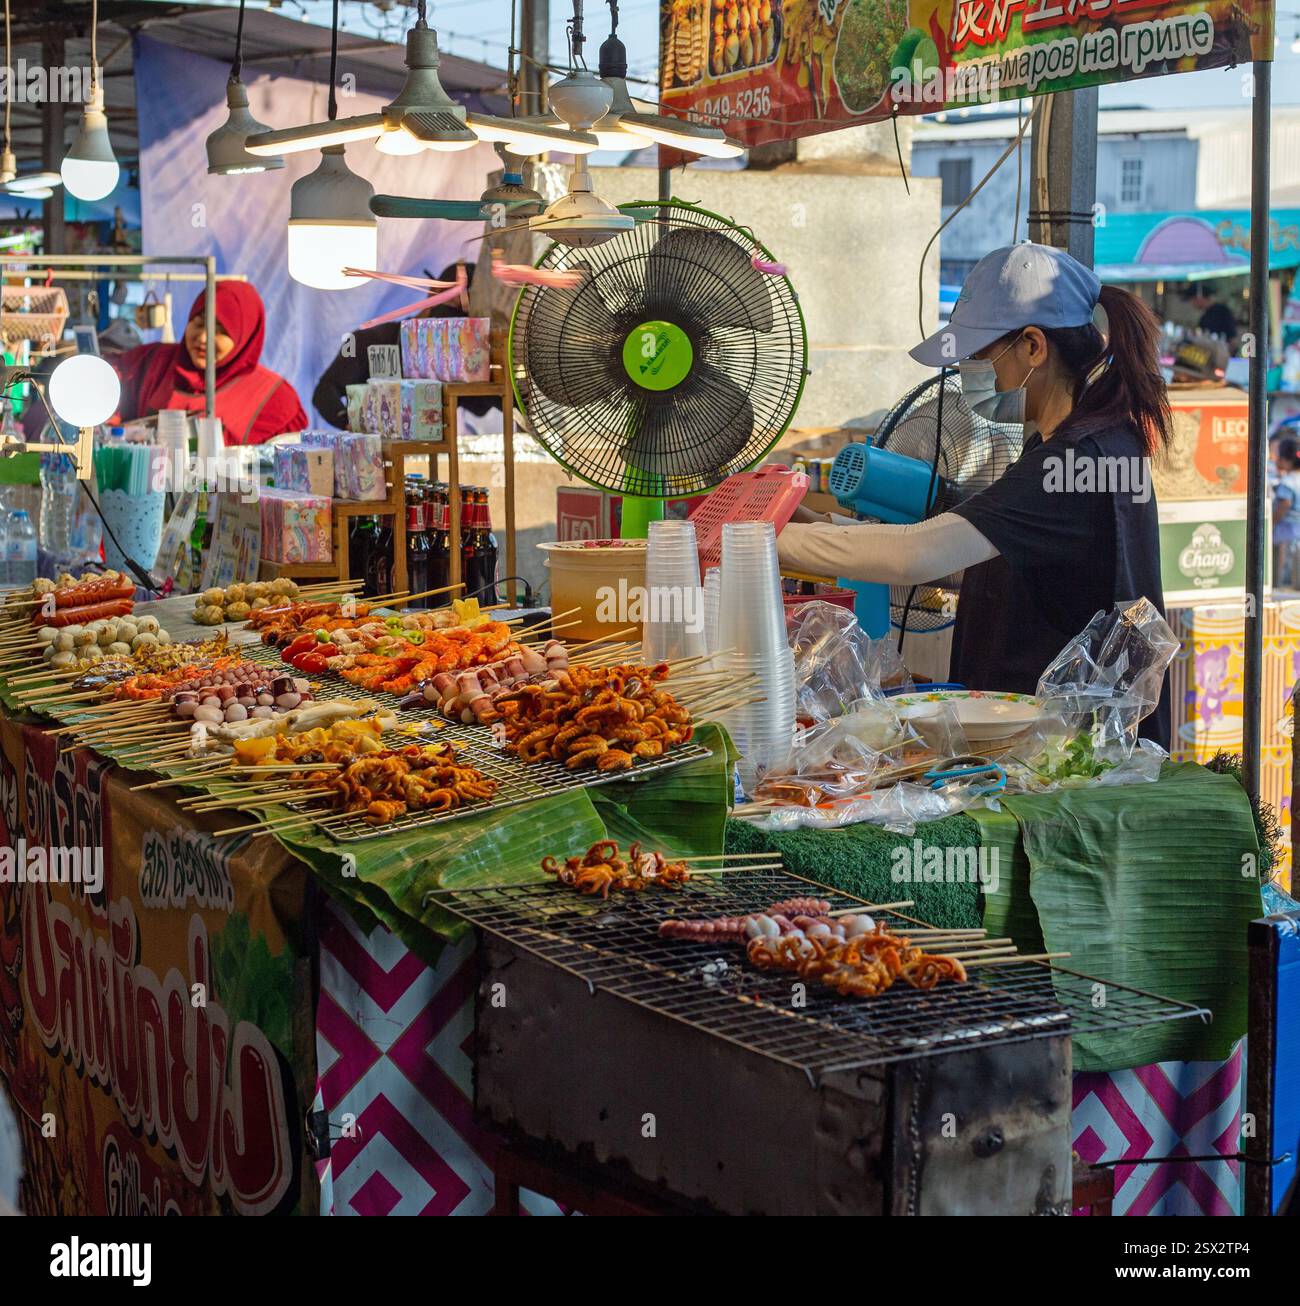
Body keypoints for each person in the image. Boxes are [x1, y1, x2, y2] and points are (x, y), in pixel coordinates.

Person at [779, 242, 1172, 748]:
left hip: (1073, 756)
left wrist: (760, 542)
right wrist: (822, 528)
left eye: (984, 356)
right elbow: (987, 560)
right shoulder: (1085, 443)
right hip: (1056, 737)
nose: (974, 374)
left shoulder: (1075, 462)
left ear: (1034, 346)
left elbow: (917, 555)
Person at [111, 281, 308, 444]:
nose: (203, 337)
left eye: (220, 330)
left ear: (244, 337)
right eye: (198, 323)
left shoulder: (274, 400)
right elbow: (107, 398)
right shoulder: (152, 362)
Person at [312, 262, 498, 428]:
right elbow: (324, 393)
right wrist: (349, 422)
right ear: (431, 294)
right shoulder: (363, 340)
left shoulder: (460, 355)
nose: (444, 336)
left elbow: (482, 404)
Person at [1272, 434, 1300, 588]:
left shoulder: (1288, 482)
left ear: (1285, 459)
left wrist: (1272, 523)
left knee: (1285, 580)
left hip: (1286, 536)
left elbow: (1284, 504)